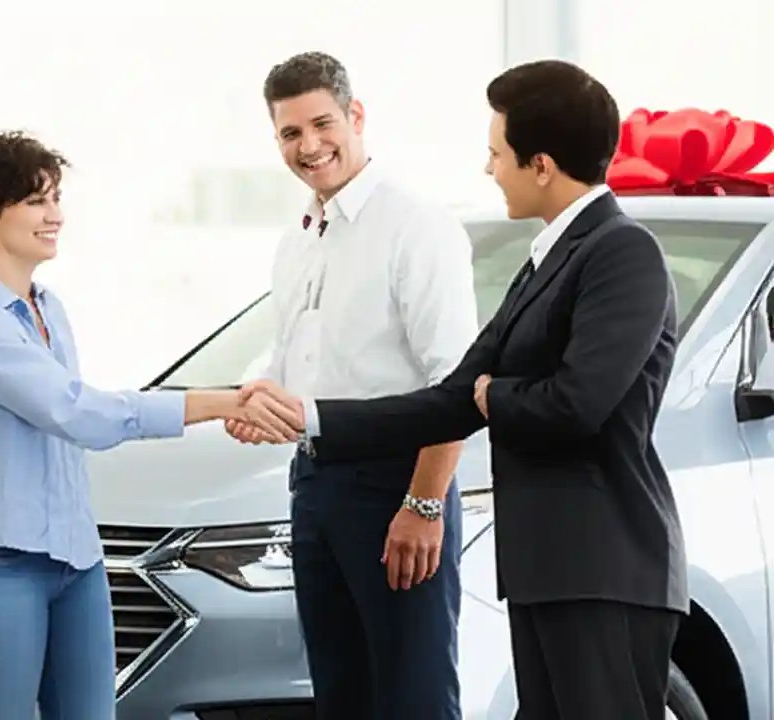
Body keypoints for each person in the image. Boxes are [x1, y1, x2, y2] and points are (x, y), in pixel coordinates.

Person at [243, 59, 687, 720]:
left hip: (604, 563)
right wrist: (308, 418)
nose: (488, 170)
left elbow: (576, 405)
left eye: (496, 154)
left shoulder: (624, 251)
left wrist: (488, 401)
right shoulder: (547, 259)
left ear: (540, 163)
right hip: (546, 564)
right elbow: (448, 397)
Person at [0, 130, 300, 720]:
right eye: (35, 201)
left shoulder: (49, 307)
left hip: (77, 557)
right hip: (2, 559)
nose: (54, 216)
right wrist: (222, 401)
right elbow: (76, 412)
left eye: (55, 199)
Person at [229, 52, 479, 719]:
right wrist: (254, 402)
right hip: (314, 486)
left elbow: (453, 385)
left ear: (355, 115)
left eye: (321, 124)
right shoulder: (298, 238)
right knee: (341, 697)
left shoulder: (416, 226)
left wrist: (423, 506)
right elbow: (295, 362)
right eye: (289, 133)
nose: (308, 146)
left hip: (396, 485)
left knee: (413, 696)